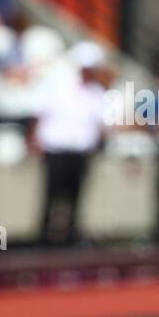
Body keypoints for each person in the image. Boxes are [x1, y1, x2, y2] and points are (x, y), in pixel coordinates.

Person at [28, 41, 112, 246]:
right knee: (51, 196)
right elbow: (41, 111)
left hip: (80, 152)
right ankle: (44, 239)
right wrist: (34, 137)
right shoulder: (58, 85)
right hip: (56, 150)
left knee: (76, 197)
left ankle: (69, 237)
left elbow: (102, 122)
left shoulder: (97, 92)